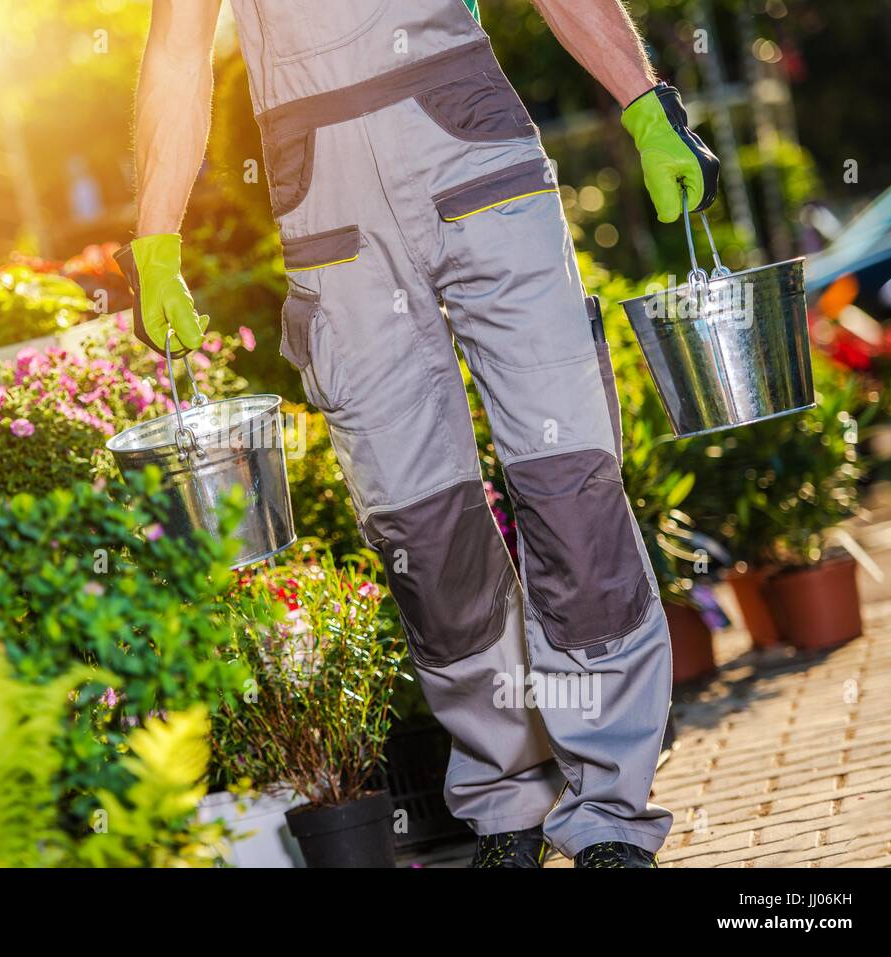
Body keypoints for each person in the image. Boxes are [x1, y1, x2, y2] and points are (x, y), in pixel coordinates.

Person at [115, 0, 720, 868]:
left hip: (475, 158)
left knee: (570, 486)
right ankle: (510, 800)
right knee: (422, 531)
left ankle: (611, 816)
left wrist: (644, 101)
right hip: (327, 210)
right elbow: (176, 49)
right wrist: (155, 236)